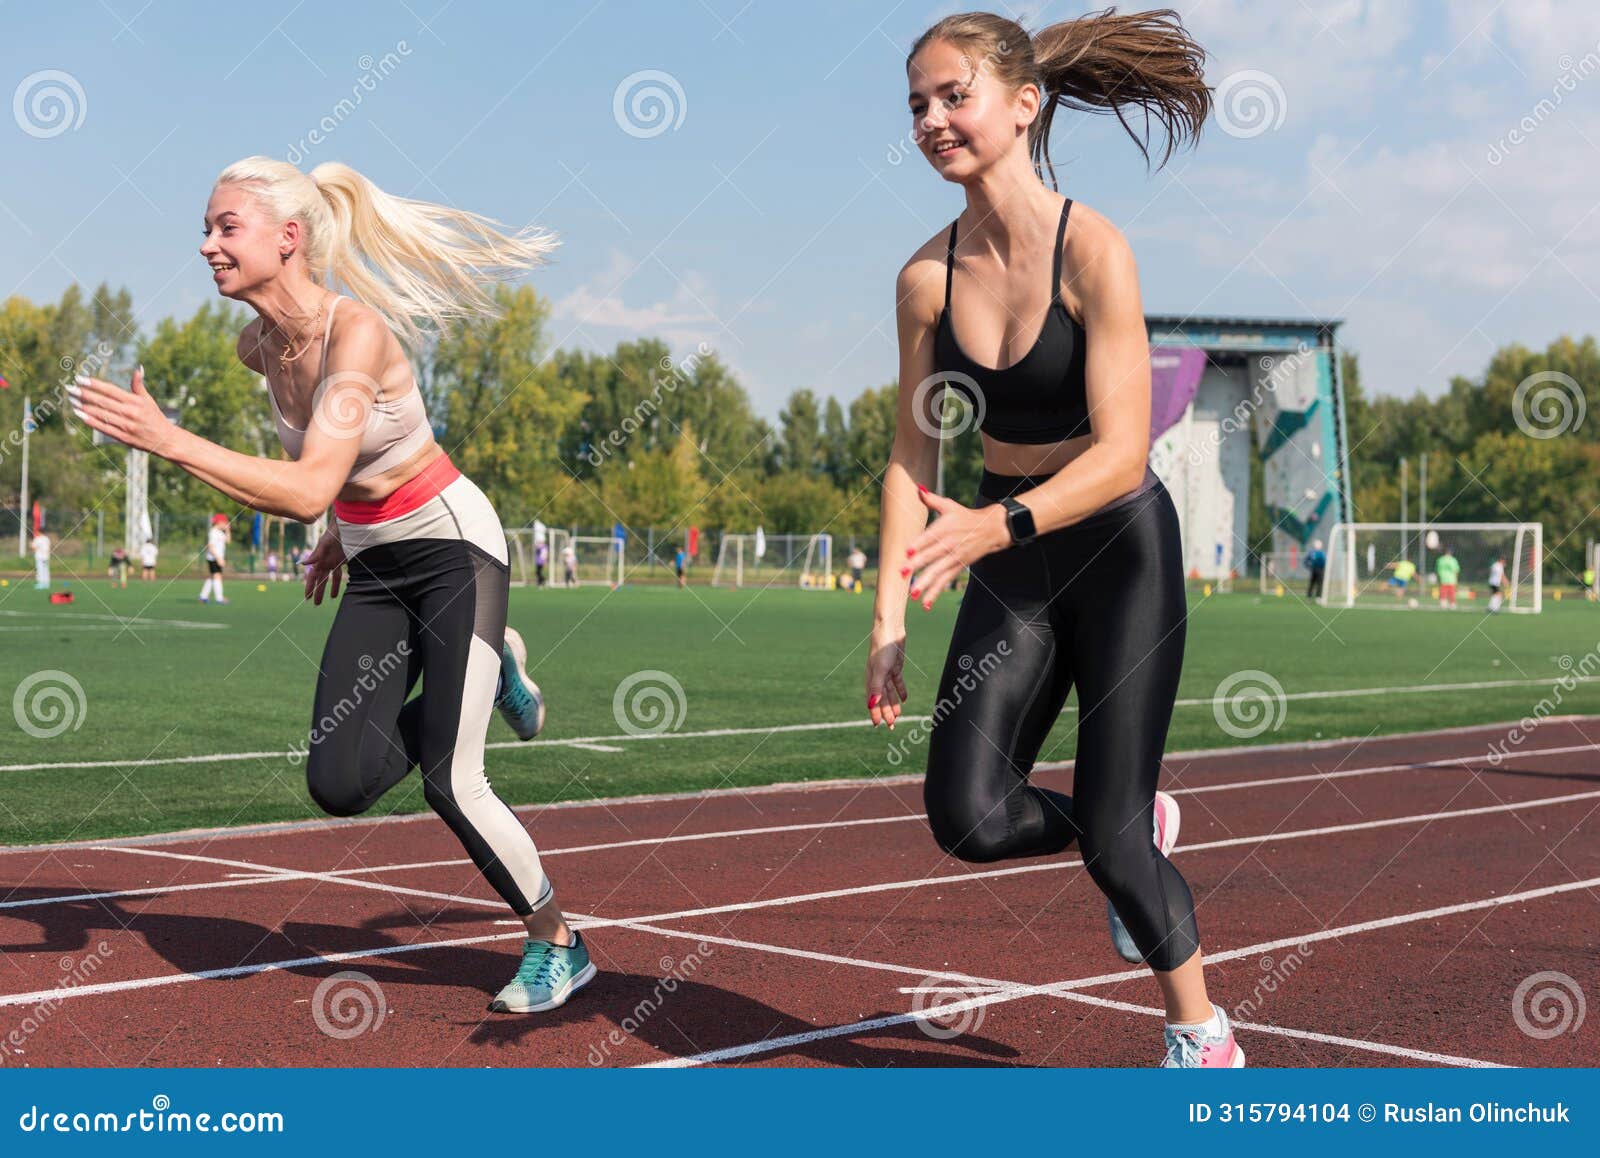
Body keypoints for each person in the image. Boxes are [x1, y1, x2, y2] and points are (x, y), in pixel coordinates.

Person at [68, 155, 590, 1014]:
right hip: (376, 562)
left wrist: (172, 441)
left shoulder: (359, 335)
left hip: (452, 546)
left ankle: (558, 941)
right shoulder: (258, 345)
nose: (206, 245)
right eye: (205, 228)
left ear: (289, 237)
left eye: (224, 227)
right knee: (339, 783)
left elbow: (310, 482)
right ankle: (494, 669)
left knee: (452, 781)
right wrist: (341, 535)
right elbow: (323, 472)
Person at [866, 12, 1238, 1068]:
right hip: (1009, 554)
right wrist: (887, 617)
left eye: (952, 97)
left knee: (1116, 840)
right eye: (916, 106)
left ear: (1022, 104)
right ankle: (1130, 837)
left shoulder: (1094, 249)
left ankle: (1199, 1033)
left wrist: (999, 523)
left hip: (1115, 547)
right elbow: (911, 454)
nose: (931, 121)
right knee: (968, 817)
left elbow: (1124, 454)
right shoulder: (923, 281)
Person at [200, 514, 230, 603]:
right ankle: (219, 598)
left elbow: (228, 541)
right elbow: (210, 546)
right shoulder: (213, 532)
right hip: (213, 558)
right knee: (217, 576)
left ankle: (203, 596)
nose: (226, 524)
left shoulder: (220, 532)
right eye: (225, 522)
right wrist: (218, 558)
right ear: (219, 522)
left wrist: (228, 530)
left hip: (217, 558)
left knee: (213, 576)